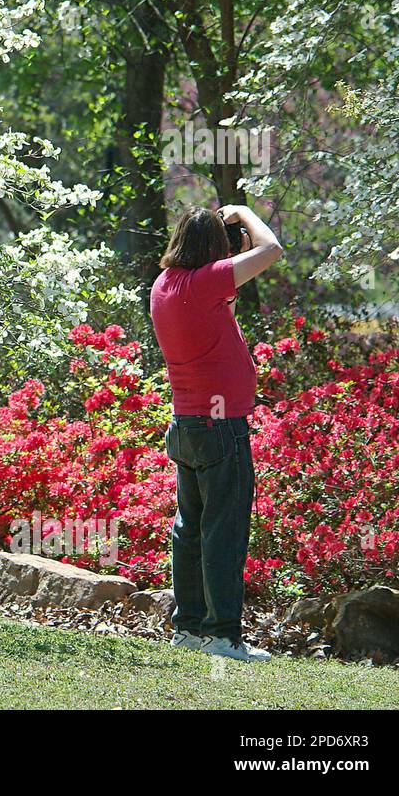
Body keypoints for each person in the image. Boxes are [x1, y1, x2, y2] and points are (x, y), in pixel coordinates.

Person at [149, 203, 284, 662]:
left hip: (186, 426)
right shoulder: (207, 281)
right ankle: (224, 636)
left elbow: (224, 300)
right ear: (214, 249)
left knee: (190, 531)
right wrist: (245, 211)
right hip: (221, 428)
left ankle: (188, 627)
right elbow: (273, 249)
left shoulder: (165, 285)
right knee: (223, 533)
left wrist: (233, 249)